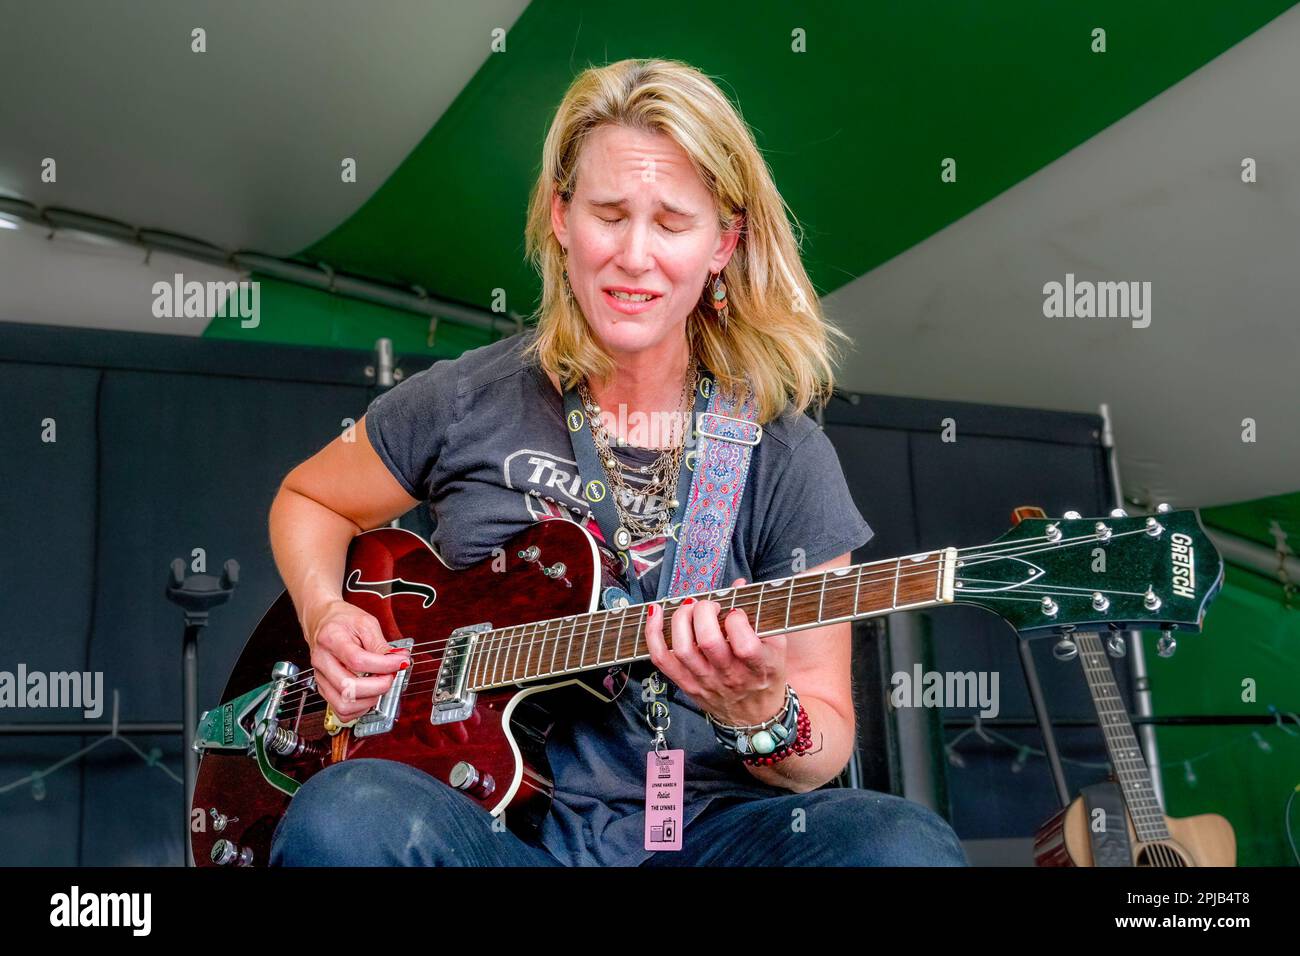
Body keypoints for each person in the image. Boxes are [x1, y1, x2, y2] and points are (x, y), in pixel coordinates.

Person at [267, 58, 966, 867]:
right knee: (343, 819)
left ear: (722, 245)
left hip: (703, 831)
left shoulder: (787, 453)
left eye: (672, 223)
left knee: (900, 848)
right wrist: (325, 614)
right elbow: (308, 499)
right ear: (561, 218)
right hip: (492, 829)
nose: (635, 256)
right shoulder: (465, 398)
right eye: (609, 213)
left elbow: (825, 745)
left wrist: (762, 709)